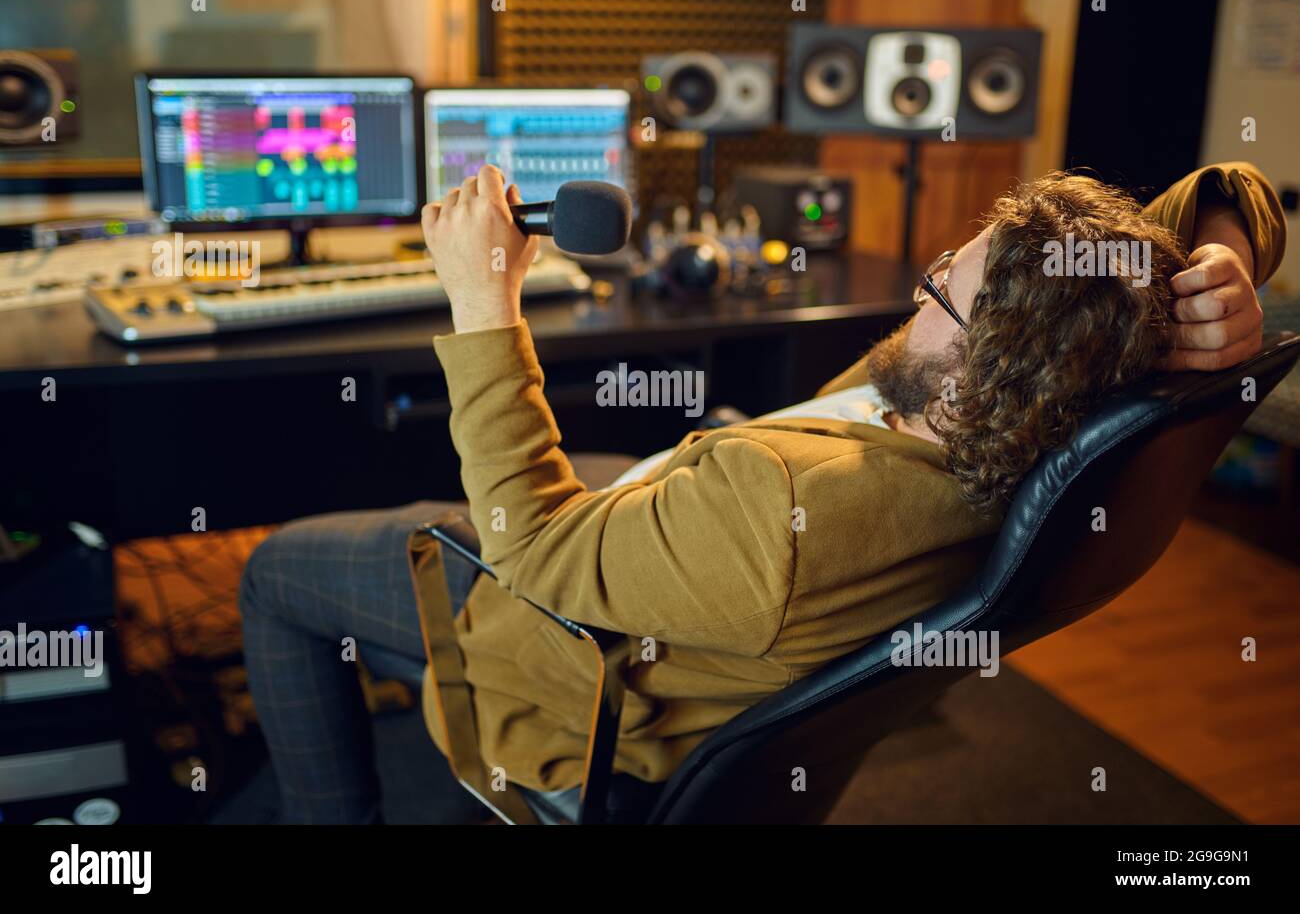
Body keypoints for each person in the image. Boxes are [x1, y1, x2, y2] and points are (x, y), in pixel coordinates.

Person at [240, 161, 1285, 823]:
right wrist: (1225, 262)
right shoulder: (1051, 404)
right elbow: (1228, 191)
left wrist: (482, 300)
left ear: (984, 377)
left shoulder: (786, 508)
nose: (918, 296)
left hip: (561, 653)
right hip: (700, 555)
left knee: (276, 572)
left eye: (936, 294)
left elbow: (535, 550)